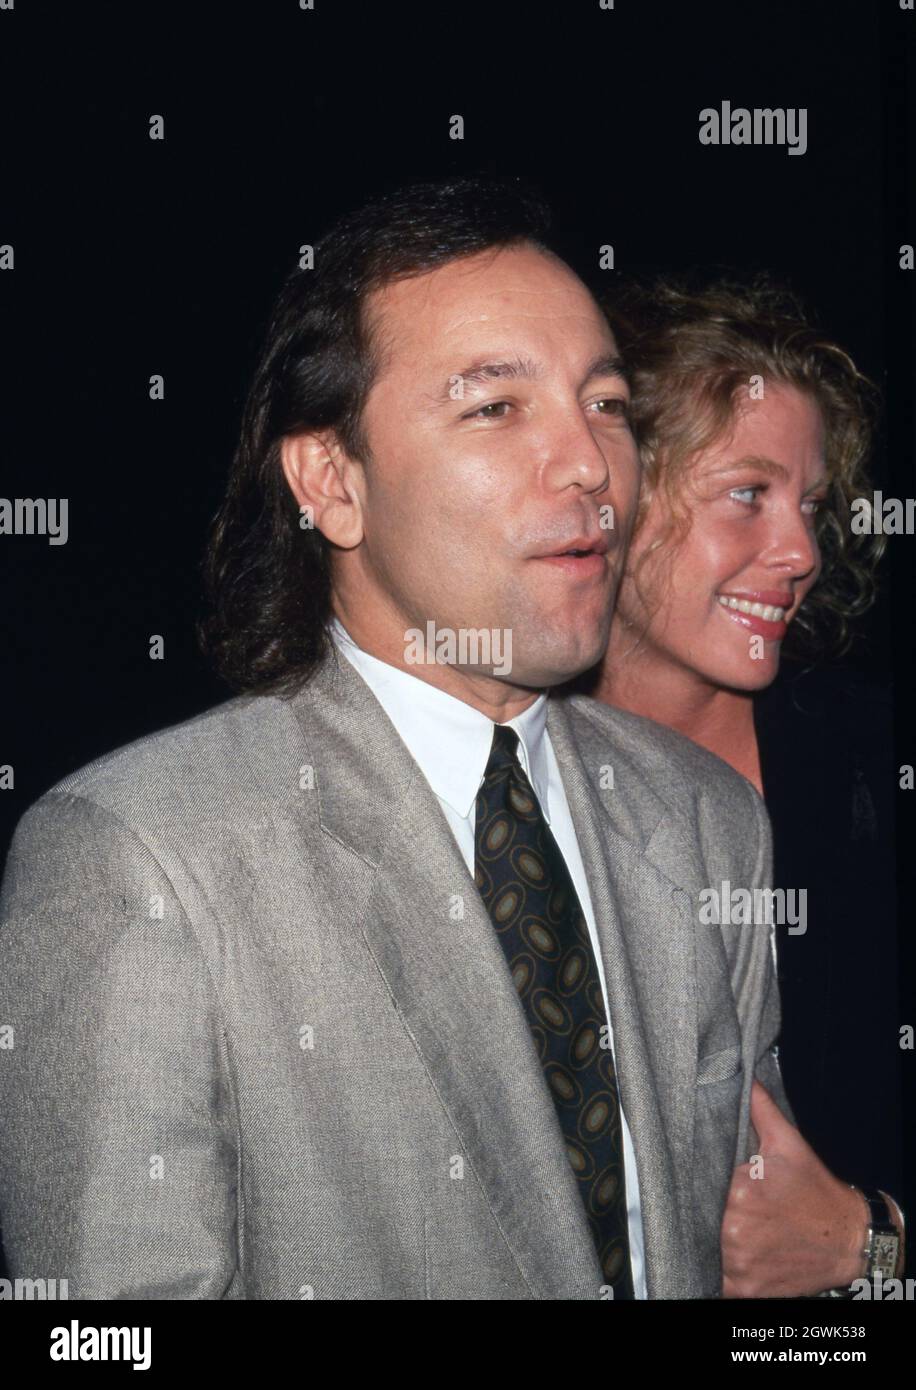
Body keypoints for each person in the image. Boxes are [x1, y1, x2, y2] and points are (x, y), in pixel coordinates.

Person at [1, 179, 799, 1300]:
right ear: (331, 479)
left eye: (608, 406)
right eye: (495, 408)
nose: (589, 467)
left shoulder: (707, 820)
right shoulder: (138, 858)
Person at [584, 275, 905, 1297]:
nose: (802, 551)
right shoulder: (495, 769)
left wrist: (875, 1247)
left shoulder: (869, 768)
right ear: (611, 493)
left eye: (808, 504)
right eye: (747, 494)